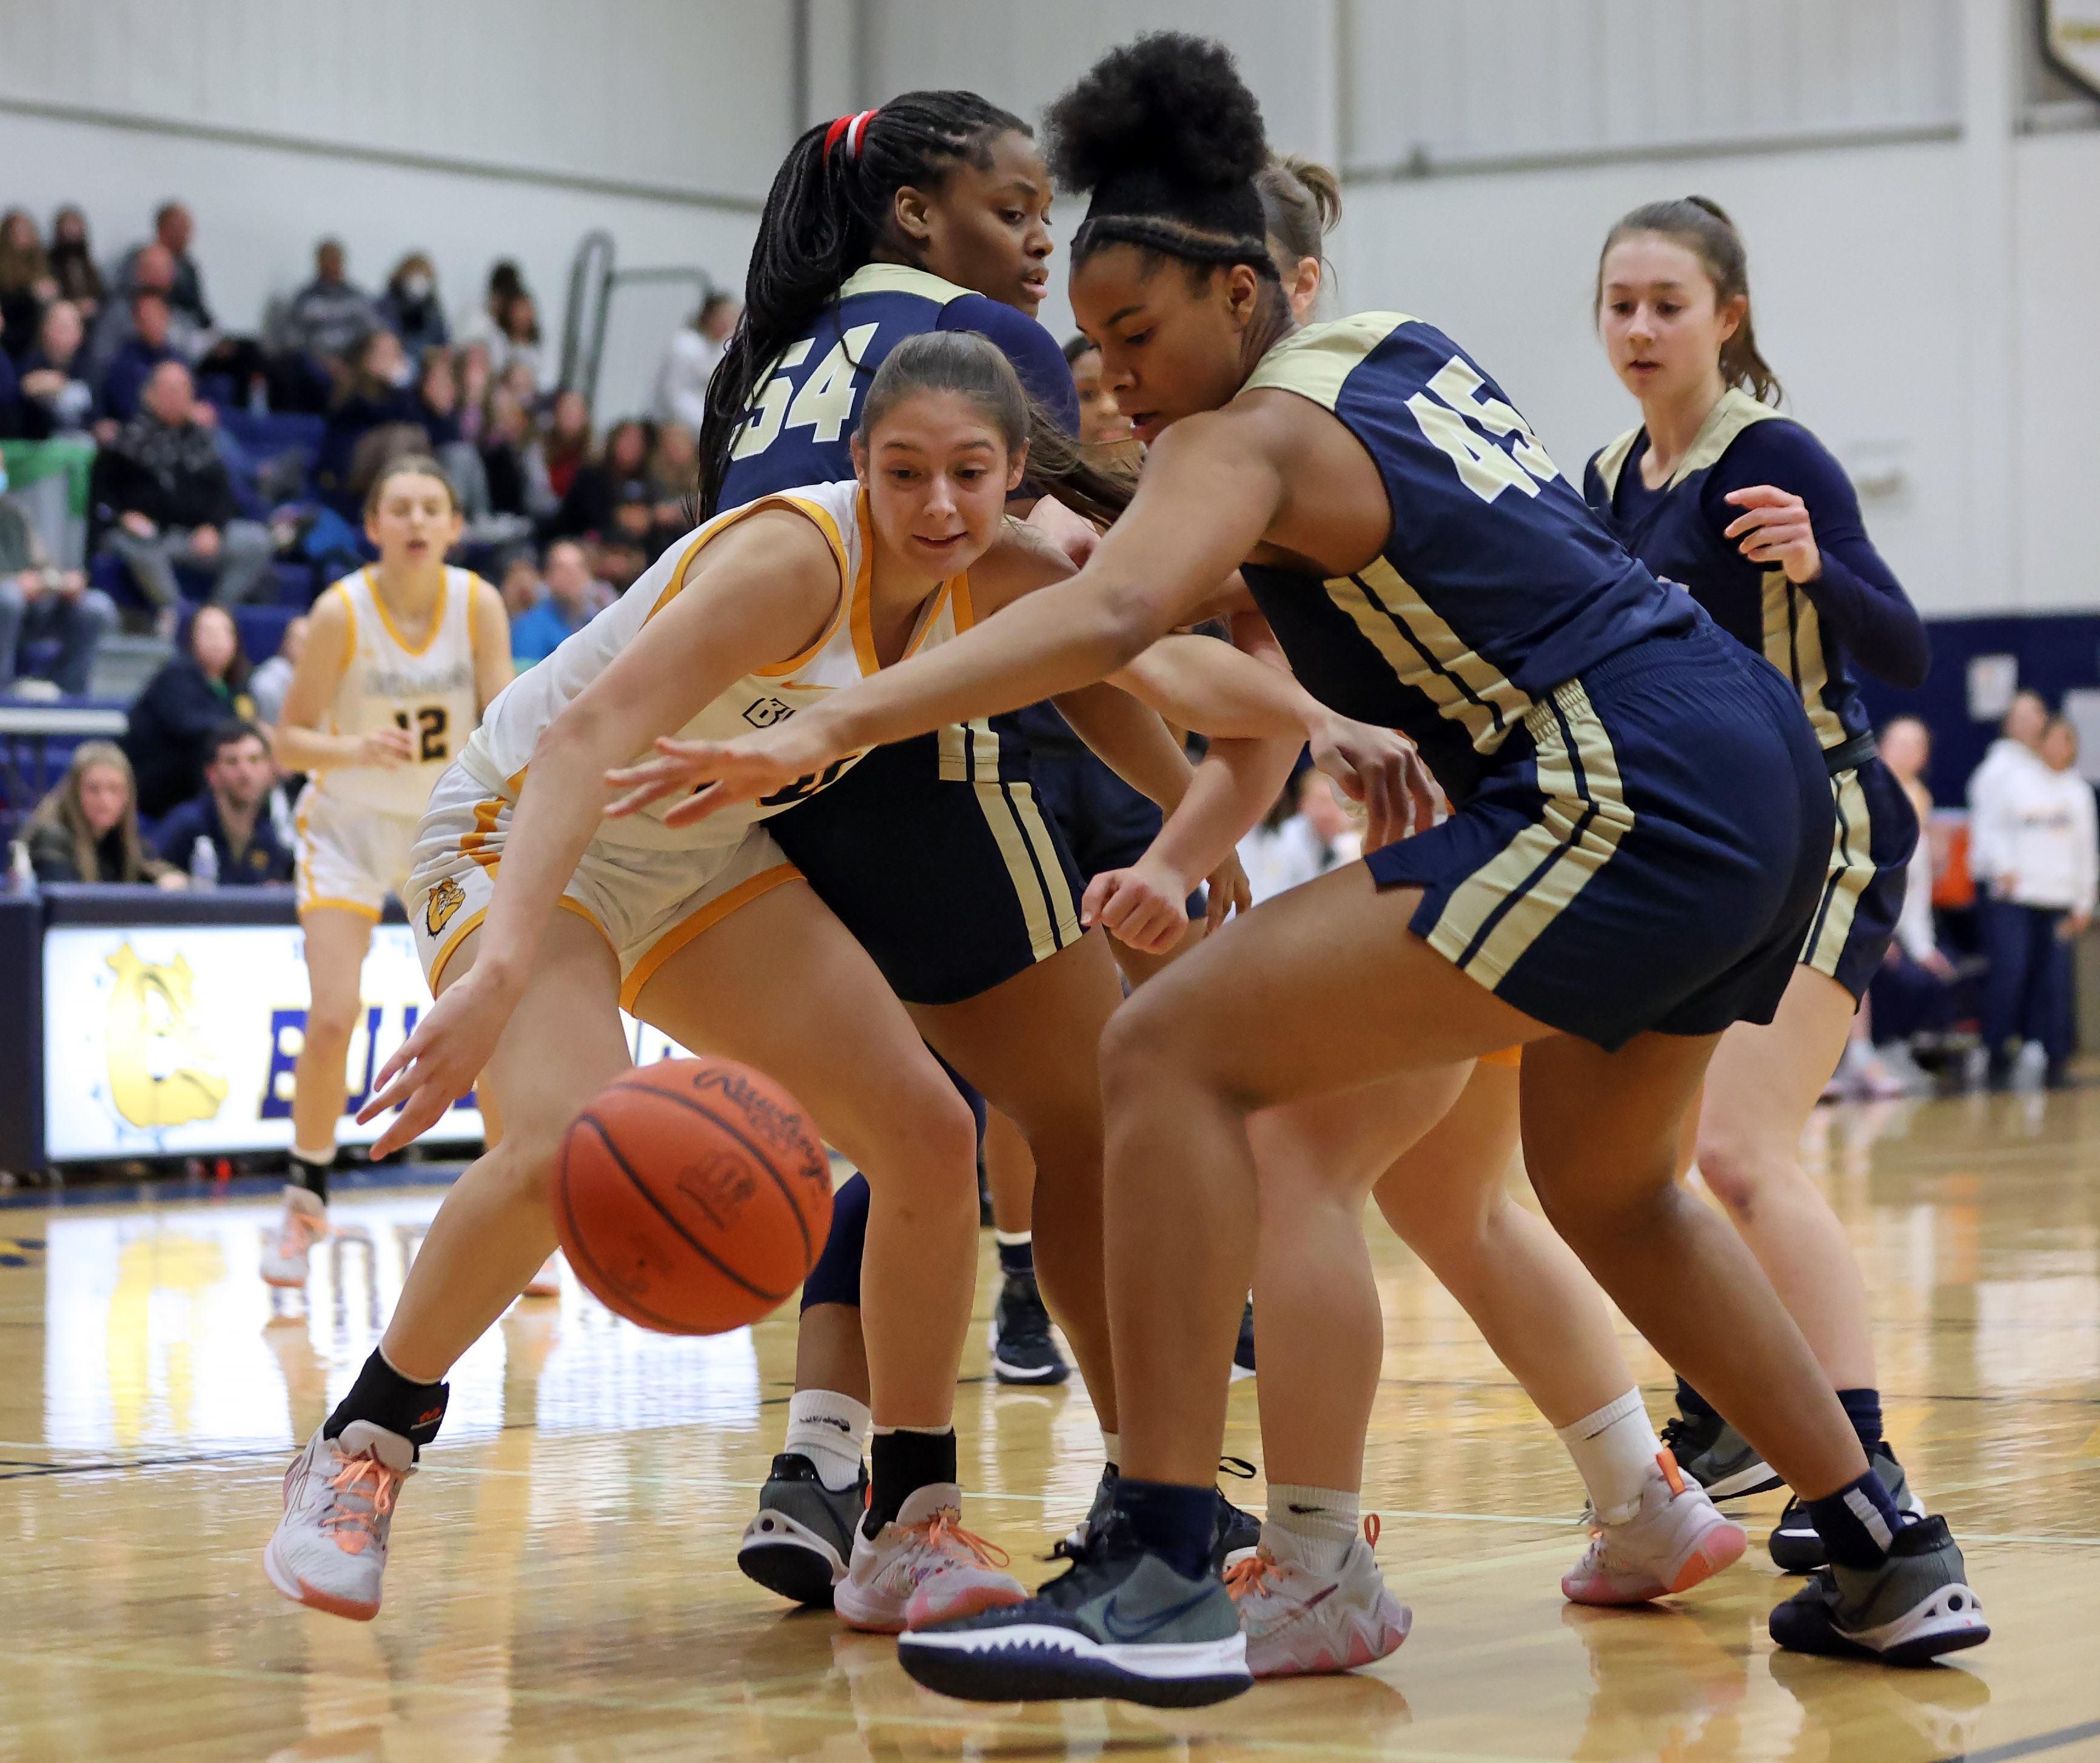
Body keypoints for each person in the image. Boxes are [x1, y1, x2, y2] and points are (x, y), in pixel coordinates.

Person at [648, 36, 1987, 1695]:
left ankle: (1173, 1554)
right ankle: (1876, 1542)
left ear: (1236, 289)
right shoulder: (1394, 352)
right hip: (1743, 768)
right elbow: (1207, 658)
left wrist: (820, 724)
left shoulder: (1241, 440)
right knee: (1604, 1182)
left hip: (1617, 784)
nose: (1117, 381)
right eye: (1096, 344)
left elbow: (1105, 616)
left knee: (1166, 1051)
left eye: (1135, 337)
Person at [264, 332, 1346, 1630]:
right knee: (563, 1141)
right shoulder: (792, 560)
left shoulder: (1004, 568)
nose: (937, 505)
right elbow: (579, 740)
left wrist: (1318, 724)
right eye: (905, 474)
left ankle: (910, 1515)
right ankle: (362, 1444)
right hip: (524, 837)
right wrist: (497, 968)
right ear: (858, 466)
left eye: (968, 474)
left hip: (703, 857)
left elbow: (1153, 668)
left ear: (1013, 478)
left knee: (930, 1134)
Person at [1585, 197, 1936, 1570]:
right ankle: (1723, 1413)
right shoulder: (1608, 477)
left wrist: (1815, 569)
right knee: (1649, 1159)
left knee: (1736, 1151)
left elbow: (1899, 646)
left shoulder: (1769, 452)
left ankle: (1862, 1462)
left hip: (1828, 818)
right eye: (1617, 303)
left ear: (1725, 314)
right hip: (1704, 841)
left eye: (1665, 302)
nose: (1637, 327)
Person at [261, 456, 509, 1286]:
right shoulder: (341, 612)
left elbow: (503, 716)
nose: (413, 521)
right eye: (398, 508)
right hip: (345, 827)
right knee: (332, 1014)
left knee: (486, 1013)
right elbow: (287, 742)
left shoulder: (478, 603)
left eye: (429, 508)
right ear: (373, 526)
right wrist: (353, 746)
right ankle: (303, 1204)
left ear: (452, 525)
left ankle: (516, 1203)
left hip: (438, 829)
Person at [100, 361, 275, 633]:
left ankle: (216, 614)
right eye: (169, 389)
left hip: (195, 537)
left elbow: (224, 495)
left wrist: (213, 527)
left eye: (183, 389)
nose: (177, 397)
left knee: (255, 540)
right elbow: (105, 492)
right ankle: (175, 614)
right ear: (149, 394)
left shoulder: (204, 440)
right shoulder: (127, 439)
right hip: (152, 536)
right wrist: (123, 515)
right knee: (136, 543)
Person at [1971, 713, 2096, 1086]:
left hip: (2058, 899)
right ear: (2041, 744)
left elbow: (2086, 851)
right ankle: (1995, 1051)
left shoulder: (2079, 792)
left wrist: (2084, 901)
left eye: (2066, 741)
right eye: (2052, 739)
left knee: (2054, 982)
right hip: (2017, 897)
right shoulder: (2015, 782)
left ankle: (2055, 1058)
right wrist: (2002, 865)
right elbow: (1991, 828)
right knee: (2010, 972)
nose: (2058, 747)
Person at [1867, 715, 1959, 1069]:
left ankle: (1910, 1051)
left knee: (1936, 974)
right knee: (1889, 977)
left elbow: (1915, 881)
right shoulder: (1867, 790)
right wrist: (1879, 934)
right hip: (1866, 920)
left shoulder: (1919, 797)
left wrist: (1923, 947)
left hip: (1903, 919)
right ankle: (1870, 1054)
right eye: (1900, 743)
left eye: (1916, 746)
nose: (1908, 752)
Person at [122, 603, 258, 818]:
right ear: (192, 638)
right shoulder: (174, 676)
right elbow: (191, 725)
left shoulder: (238, 685)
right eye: (208, 632)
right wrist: (251, 730)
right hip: (159, 789)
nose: (217, 640)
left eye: (224, 632)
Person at [1, 489, 116, 697]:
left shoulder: (14, 512)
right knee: (8, 597)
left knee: (96, 605)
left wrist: (62, 580)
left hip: (32, 606)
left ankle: (71, 695)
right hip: (8, 605)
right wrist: (16, 583)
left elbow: (43, 563)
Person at [153, 719, 295, 886]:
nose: (245, 772)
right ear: (211, 773)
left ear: (269, 768)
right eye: (232, 762)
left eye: (254, 760)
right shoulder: (187, 824)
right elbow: (148, 866)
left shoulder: (269, 833)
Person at [25, 740, 183, 886]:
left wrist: (167, 878)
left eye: (115, 790)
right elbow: (67, 909)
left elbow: (155, 868)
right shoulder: (50, 839)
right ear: (74, 793)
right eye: (94, 789)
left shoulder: (122, 839)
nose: (105, 801)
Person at [508, 538, 605, 664]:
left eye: (580, 567)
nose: (572, 574)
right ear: (547, 577)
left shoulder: (596, 619)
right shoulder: (529, 628)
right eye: (562, 568)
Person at [653, 289, 739, 432]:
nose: (730, 322)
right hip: (670, 425)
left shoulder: (723, 347)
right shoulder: (684, 346)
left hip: (704, 424)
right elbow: (673, 395)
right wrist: (704, 422)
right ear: (710, 317)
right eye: (725, 316)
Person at [16, 299, 98, 440]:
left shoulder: (92, 368)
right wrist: (26, 388)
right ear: (43, 330)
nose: (59, 335)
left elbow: (98, 414)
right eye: (55, 327)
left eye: (66, 328)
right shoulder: (28, 365)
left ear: (80, 334)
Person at [100, 290, 181, 421]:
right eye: (146, 317)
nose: (152, 322)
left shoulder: (178, 358)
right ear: (136, 322)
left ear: (168, 317)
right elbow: (126, 409)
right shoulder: (123, 361)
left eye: (157, 316)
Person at [0, 209, 56, 352]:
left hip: (39, 338)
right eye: (17, 232)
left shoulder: (43, 261)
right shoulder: (3, 267)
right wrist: (30, 294)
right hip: (10, 338)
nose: (22, 236)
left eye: (26, 231)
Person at [377, 255, 449, 358]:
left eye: (424, 278)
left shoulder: (432, 309)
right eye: (415, 277)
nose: (419, 283)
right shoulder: (386, 306)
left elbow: (443, 343)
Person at [45, 207, 106, 324]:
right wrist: (74, 307)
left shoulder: (89, 264)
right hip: (62, 319)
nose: (71, 232)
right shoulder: (49, 262)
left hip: (91, 321)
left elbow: (102, 294)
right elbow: (51, 293)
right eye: (67, 227)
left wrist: (93, 305)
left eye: (75, 227)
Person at [249, 615, 308, 727]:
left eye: (311, 642)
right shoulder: (269, 679)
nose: (307, 648)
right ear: (287, 642)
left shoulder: (320, 677)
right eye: (301, 641)